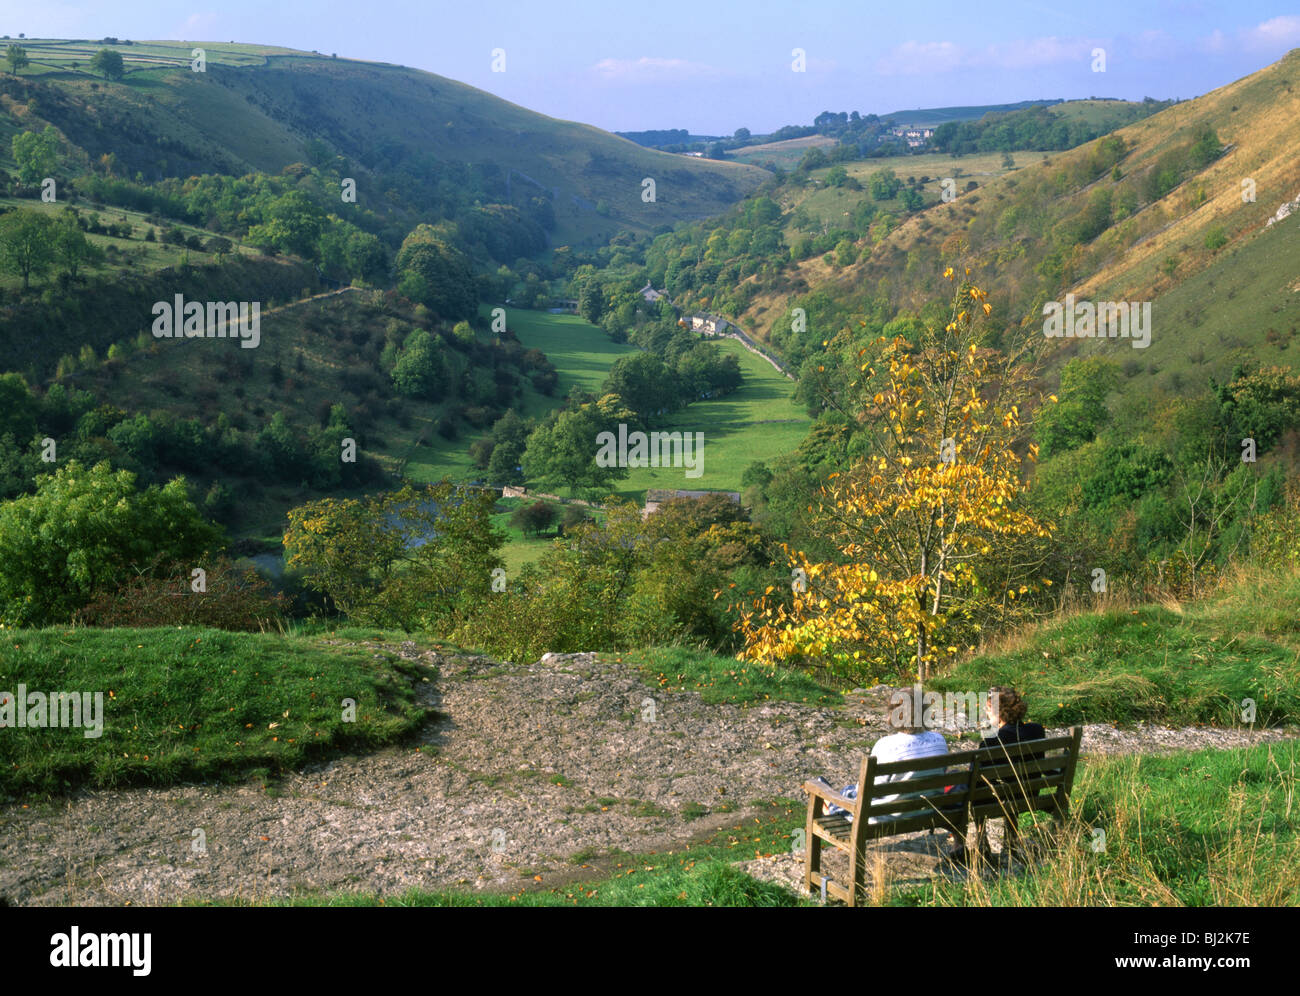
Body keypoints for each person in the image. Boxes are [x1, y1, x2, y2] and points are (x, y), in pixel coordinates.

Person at [946, 686, 1045, 863]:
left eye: (988, 708)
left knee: (972, 787)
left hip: (996, 799)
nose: (985, 711)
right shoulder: (1036, 731)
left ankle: (982, 844)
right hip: (1027, 794)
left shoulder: (992, 742)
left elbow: (975, 779)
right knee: (1001, 784)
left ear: (1000, 712)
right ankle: (1012, 840)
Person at [814, 708, 949, 824]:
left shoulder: (886, 745)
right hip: (927, 811)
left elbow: (871, 791)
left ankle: (829, 806)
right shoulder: (939, 740)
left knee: (849, 793)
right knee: (851, 793)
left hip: (886, 817)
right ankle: (831, 804)